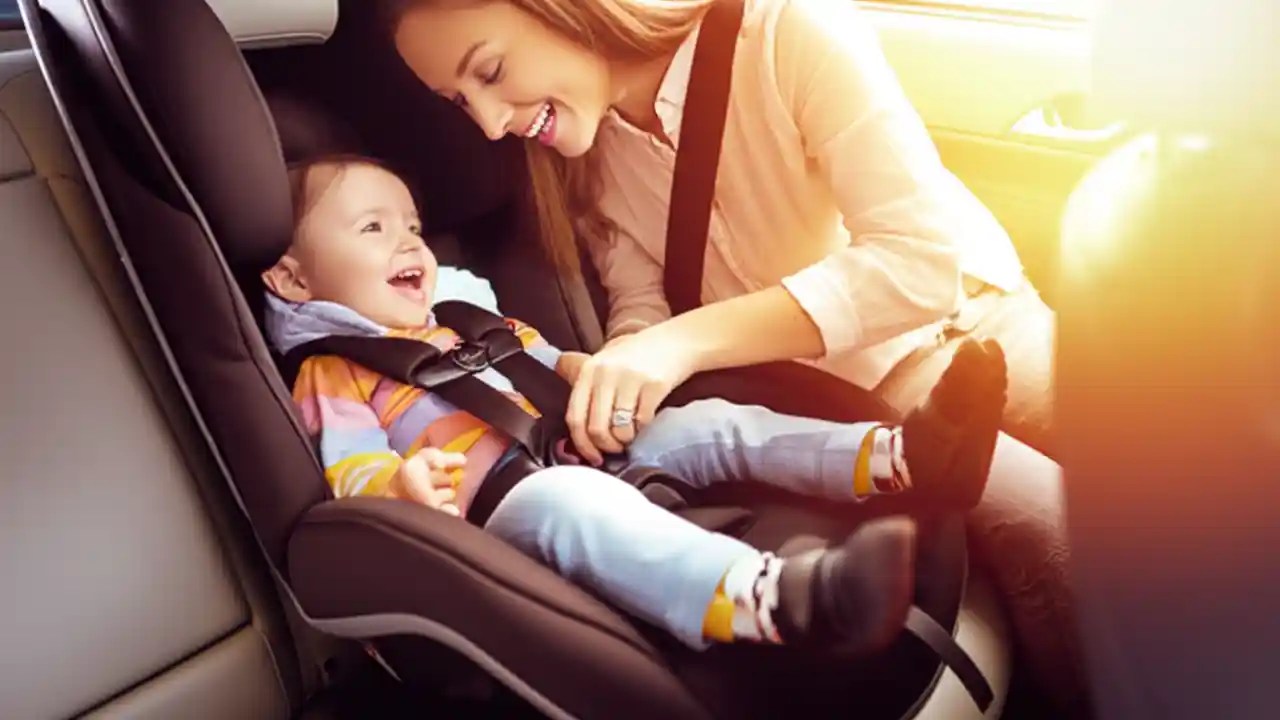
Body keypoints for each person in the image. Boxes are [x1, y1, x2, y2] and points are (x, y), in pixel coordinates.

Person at [385, 0, 1083, 714]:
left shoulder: (786, 31)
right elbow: (641, 302)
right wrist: (626, 365)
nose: (492, 123)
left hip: (979, 319)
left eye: (492, 72)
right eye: (461, 101)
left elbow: (920, 264)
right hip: (852, 402)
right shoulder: (578, 164)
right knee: (1052, 526)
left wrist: (678, 344)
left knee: (1171, 454)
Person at [262, 154, 1010, 655]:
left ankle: (903, 458)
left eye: (414, 226)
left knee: (709, 424)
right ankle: (774, 597)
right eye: (373, 229)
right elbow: (349, 472)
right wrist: (401, 487)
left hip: (587, 442)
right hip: (502, 512)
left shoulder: (463, 317)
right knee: (571, 506)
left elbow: (548, 364)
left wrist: (589, 372)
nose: (410, 245)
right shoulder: (334, 372)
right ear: (295, 281)